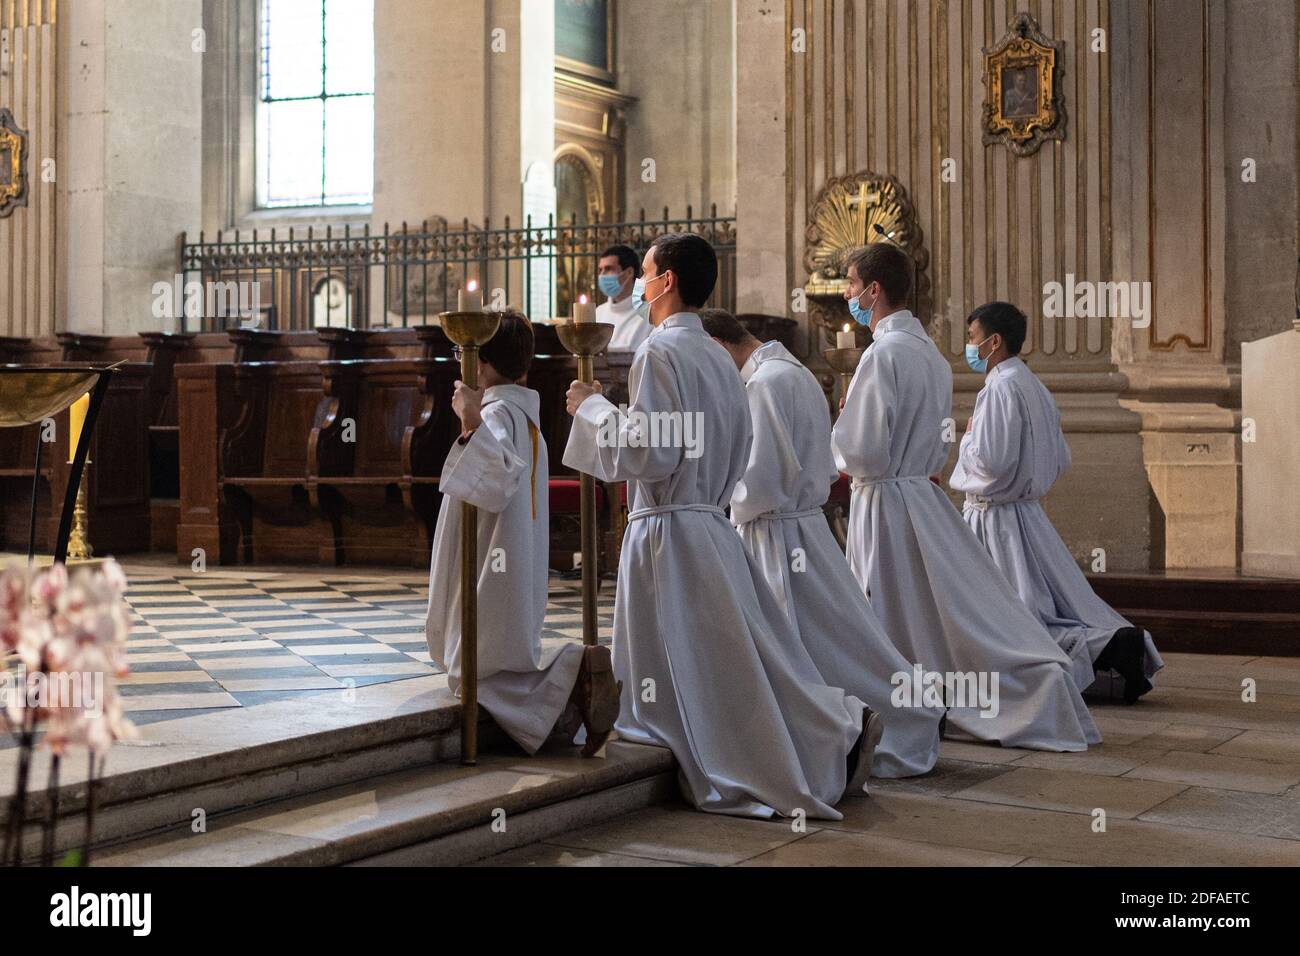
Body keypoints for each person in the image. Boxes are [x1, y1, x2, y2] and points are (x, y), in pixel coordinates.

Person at [564, 233, 880, 820]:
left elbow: (654, 453)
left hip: (668, 531)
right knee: (729, 657)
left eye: (647, 272)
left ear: (668, 281)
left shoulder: (660, 352)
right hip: (707, 523)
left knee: (699, 667)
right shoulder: (716, 355)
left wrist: (591, 408)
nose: (638, 285)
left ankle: (776, 743)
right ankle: (826, 729)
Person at [832, 242, 1100, 752]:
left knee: (888, 609)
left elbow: (862, 450)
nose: (845, 294)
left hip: (884, 501)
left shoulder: (881, 355)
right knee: (923, 611)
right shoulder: (929, 356)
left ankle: (897, 708)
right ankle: (931, 697)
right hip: (916, 494)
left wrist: (837, 437)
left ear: (874, 290)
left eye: (850, 284)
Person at [701, 308, 943, 777]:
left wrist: (717, 498)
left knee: (801, 646)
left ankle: (843, 730)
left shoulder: (764, 385)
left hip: (772, 531)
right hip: (800, 527)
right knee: (833, 641)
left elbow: (762, 478)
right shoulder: (795, 373)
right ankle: (882, 716)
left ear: (717, 346)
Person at [426, 310, 620, 758]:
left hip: (492, 556)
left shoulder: (496, 414)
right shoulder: (523, 416)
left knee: (474, 674)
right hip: (515, 553)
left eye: (462, 352)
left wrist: (471, 421)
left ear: (479, 362)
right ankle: (571, 694)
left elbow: (492, 480)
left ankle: (573, 678)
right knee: (488, 665)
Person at [951, 301, 1163, 704]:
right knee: (1037, 603)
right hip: (1027, 514)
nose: (969, 345)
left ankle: (1096, 654)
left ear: (994, 341)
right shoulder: (1034, 386)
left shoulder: (999, 387)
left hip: (995, 518)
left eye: (972, 337)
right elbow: (1059, 457)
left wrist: (965, 449)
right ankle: (1111, 648)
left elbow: (993, 462)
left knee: (1012, 613)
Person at [595, 244, 652, 351]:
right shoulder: (598, 313)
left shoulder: (648, 313)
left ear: (629, 272)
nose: (602, 275)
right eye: (600, 270)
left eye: (608, 269)